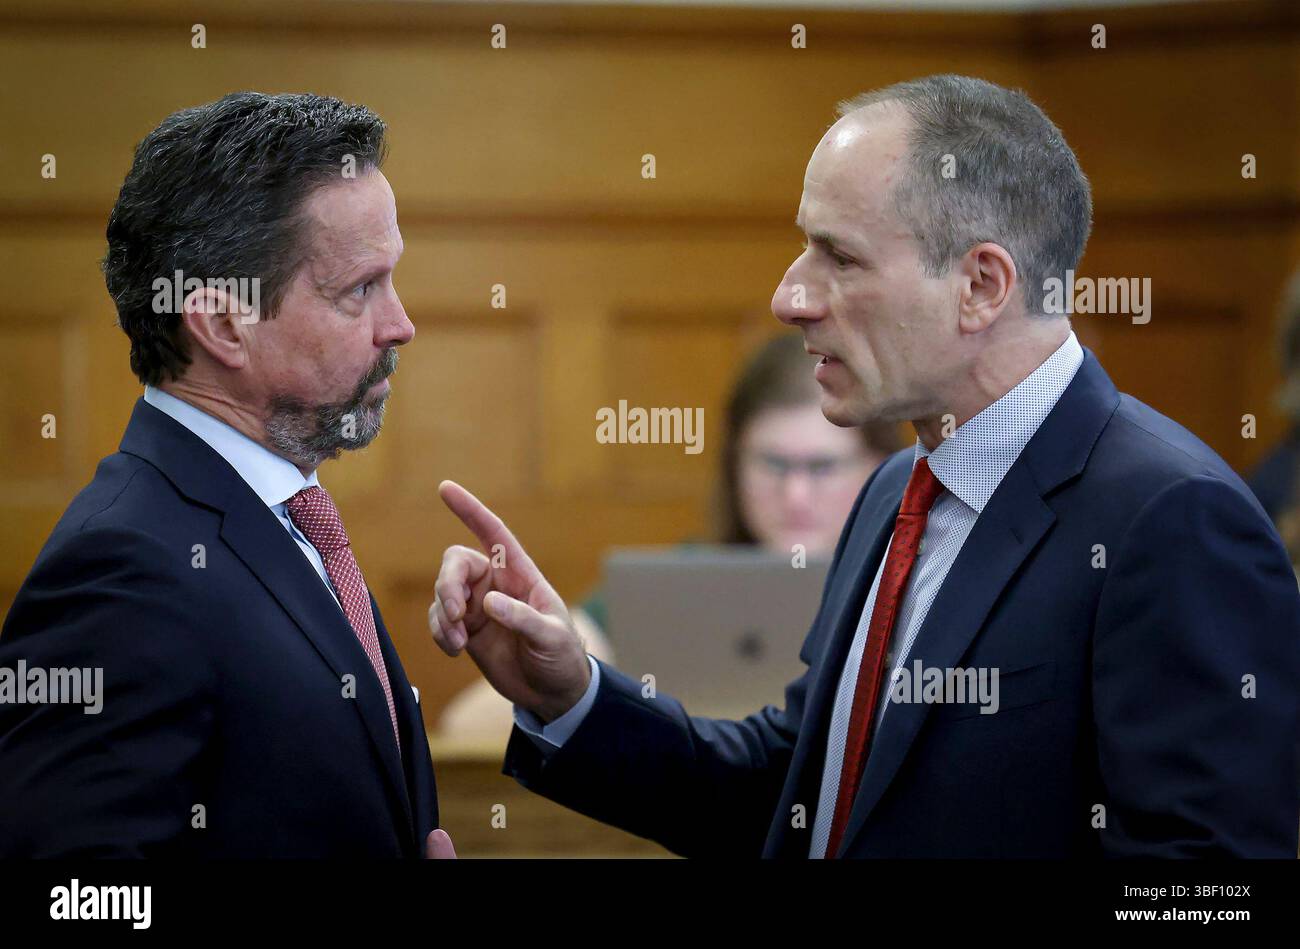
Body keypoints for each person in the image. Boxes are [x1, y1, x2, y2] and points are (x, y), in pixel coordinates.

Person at [429, 74, 1300, 858]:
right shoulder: (898, 488)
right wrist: (574, 693)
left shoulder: (1173, 518)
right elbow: (797, 796)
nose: (790, 296)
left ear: (983, 286)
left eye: (838, 256)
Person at [0, 93, 452, 858]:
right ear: (219, 324)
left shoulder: (283, 510)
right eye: (359, 290)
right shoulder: (121, 571)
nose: (400, 323)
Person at [436, 333, 898, 742]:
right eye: (773, 464)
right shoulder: (676, 584)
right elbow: (468, 724)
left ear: (881, 465)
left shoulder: (913, 585)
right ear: (734, 464)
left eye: (822, 467)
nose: (796, 495)